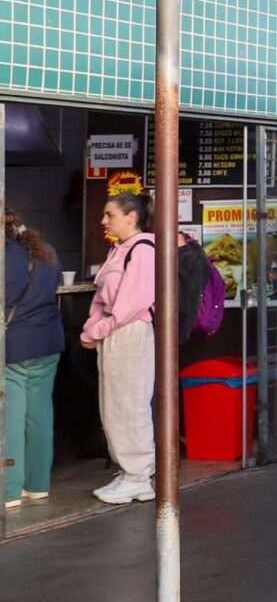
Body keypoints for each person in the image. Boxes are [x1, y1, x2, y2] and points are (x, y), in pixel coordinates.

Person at [80, 192, 156, 504]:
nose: (104, 220)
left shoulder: (143, 249)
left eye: (109, 214)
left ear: (131, 217)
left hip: (129, 331)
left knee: (130, 403)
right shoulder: (119, 249)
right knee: (112, 404)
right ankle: (128, 472)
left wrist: (97, 328)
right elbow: (102, 297)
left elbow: (130, 304)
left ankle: (139, 476)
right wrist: (92, 325)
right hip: (113, 332)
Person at [5, 204, 62, 510]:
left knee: (10, 419)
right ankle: (37, 485)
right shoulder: (47, 250)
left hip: (15, 347)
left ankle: (9, 492)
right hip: (48, 342)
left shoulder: (5, 256)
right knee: (39, 414)